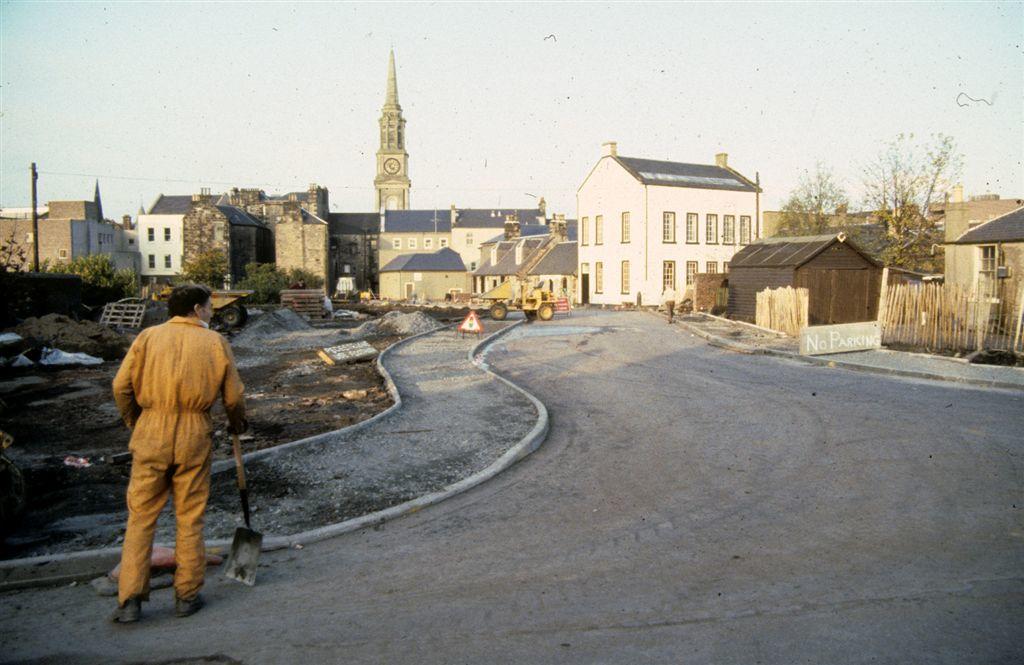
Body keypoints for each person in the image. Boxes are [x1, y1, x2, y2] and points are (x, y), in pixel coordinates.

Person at [110, 284, 247, 623]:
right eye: (208, 307)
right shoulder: (215, 342)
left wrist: (136, 422)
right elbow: (233, 397)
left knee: (140, 518)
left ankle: (129, 601)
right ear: (198, 310)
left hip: (150, 433)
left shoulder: (147, 338)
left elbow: (120, 386)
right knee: (189, 516)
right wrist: (236, 425)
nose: (211, 312)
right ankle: (186, 595)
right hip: (193, 435)